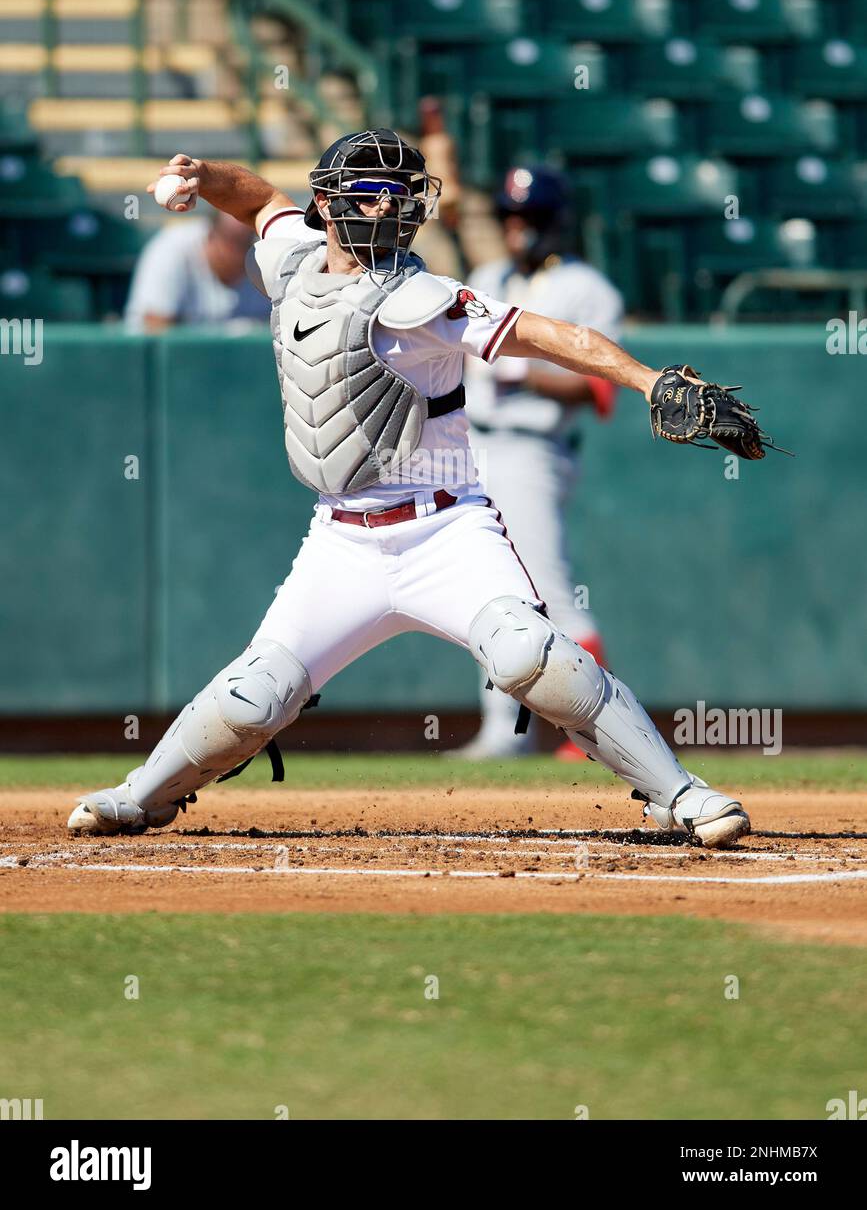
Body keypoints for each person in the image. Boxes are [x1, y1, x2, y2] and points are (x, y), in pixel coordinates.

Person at [68, 129, 751, 850]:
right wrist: (201, 175)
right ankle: (138, 795)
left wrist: (646, 380)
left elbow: (548, 334)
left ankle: (680, 794)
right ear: (326, 206)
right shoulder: (290, 257)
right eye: (369, 192)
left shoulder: (421, 297)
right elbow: (259, 198)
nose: (387, 207)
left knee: (527, 656)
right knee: (253, 698)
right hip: (339, 539)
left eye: (399, 193)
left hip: (447, 530)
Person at [455, 165, 623, 759]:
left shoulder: (588, 288)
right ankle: (504, 731)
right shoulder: (486, 276)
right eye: (511, 216)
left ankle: (602, 730)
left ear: (556, 223)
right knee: (484, 592)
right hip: (471, 447)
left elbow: (597, 389)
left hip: (532, 449)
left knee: (549, 588)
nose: (519, 228)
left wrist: (526, 370)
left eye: (532, 218)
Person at [124, 209, 269, 332]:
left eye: (247, 241)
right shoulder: (173, 249)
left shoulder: (263, 258)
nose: (240, 252)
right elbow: (154, 328)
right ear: (211, 236)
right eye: (234, 241)